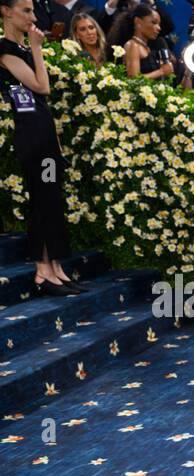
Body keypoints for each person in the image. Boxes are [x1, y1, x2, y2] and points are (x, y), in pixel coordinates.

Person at [0, 0, 82, 296]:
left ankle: (55, 266)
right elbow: (41, 86)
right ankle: (41, 270)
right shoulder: (5, 50)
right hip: (30, 135)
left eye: (33, 10)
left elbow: (42, 100)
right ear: (6, 11)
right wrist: (36, 47)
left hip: (44, 130)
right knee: (42, 198)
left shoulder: (21, 49)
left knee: (52, 198)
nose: (32, 17)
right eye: (25, 11)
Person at [121, 3, 172, 82]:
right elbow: (132, 79)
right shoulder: (133, 45)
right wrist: (161, 71)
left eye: (159, 24)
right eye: (154, 22)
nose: (159, 28)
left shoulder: (147, 47)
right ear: (138, 22)